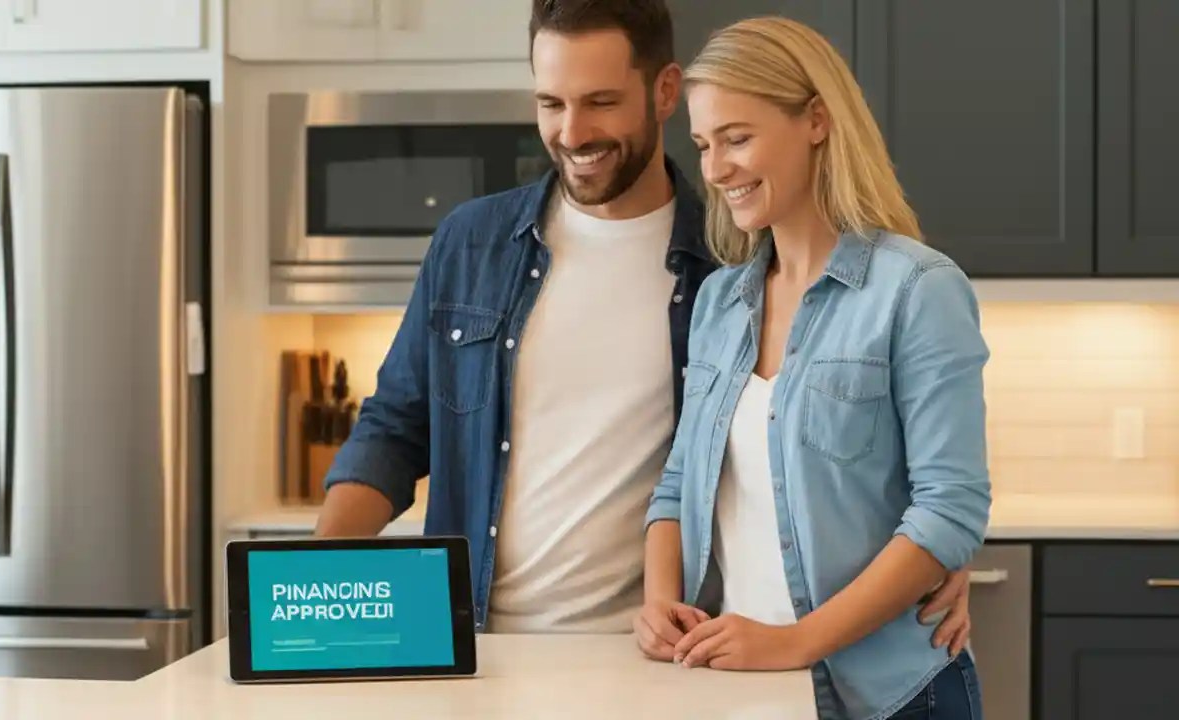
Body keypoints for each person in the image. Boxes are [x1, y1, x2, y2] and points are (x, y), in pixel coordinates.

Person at [315, 0, 971, 646]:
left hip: (652, 656)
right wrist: (313, 577)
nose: (572, 133)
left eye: (600, 101)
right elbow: (396, 426)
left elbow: (842, 461)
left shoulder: (728, 262)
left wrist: (935, 548)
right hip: (480, 644)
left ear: (664, 92)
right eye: (551, 103)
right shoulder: (472, 243)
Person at [637, 16, 989, 720]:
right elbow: (680, 483)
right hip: (745, 688)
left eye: (737, 138)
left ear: (817, 121)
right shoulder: (719, 302)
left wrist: (797, 642)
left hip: (892, 696)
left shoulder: (917, 289)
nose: (714, 169)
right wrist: (658, 603)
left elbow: (948, 510)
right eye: (705, 145)